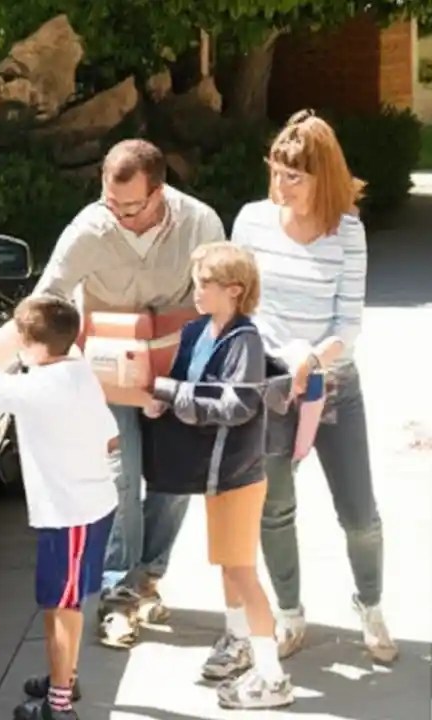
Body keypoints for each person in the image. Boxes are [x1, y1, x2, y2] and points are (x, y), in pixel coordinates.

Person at [32, 138, 228, 648]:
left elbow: (225, 300)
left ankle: (147, 579)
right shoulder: (89, 228)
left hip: (177, 368)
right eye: (109, 201)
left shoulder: (200, 223)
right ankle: (118, 597)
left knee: (175, 481)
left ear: (159, 193)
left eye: (130, 206)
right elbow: (46, 297)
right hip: (110, 374)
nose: (117, 213)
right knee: (120, 478)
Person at [231, 109, 399, 664]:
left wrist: (316, 359)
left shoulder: (347, 232)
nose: (280, 186)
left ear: (322, 177)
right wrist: (288, 356)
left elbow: (348, 325)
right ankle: (289, 614)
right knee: (274, 509)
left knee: (360, 514)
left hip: (333, 390)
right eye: (276, 171)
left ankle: (370, 607)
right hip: (273, 387)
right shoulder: (253, 222)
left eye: (294, 177)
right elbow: (244, 306)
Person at [0, 295, 119, 720]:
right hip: (88, 504)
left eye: (19, 337)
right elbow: (110, 438)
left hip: (71, 513)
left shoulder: (36, 389)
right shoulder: (76, 369)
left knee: (62, 607)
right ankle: (62, 677)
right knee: (62, 602)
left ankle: (59, 704)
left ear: (34, 347)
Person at [142, 242, 294, 709]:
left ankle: (272, 677)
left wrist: (168, 392)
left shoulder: (244, 341)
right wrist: (166, 397)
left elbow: (238, 405)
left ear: (234, 290)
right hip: (216, 472)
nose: (196, 291)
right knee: (230, 567)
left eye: (204, 283)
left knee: (243, 572)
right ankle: (239, 641)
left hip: (237, 474)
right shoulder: (199, 331)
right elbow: (191, 386)